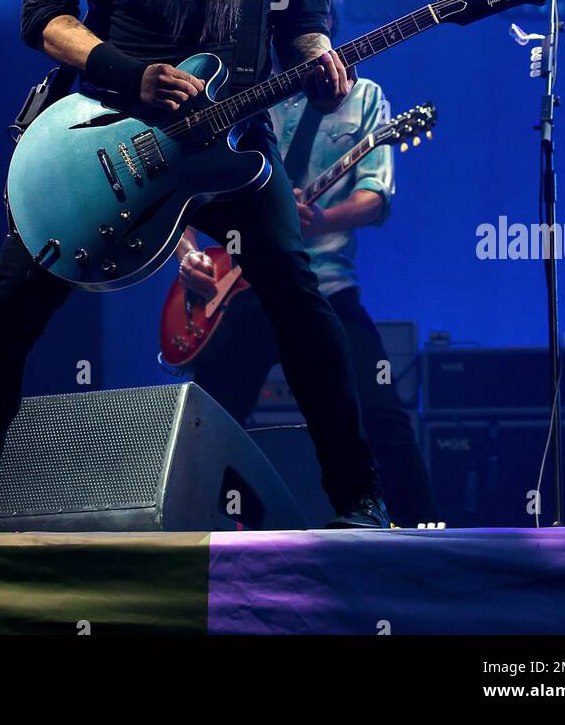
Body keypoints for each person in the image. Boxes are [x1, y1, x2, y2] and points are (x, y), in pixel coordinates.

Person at [0, 0, 389, 530]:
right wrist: (133, 73)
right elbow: (43, 14)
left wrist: (319, 64)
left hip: (233, 138)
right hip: (108, 136)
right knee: (9, 311)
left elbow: (302, 25)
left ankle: (361, 500)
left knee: (299, 298)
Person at [181, 44, 437, 527]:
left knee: (381, 411)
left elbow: (375, 199)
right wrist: (189, 255)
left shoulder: (363, 97)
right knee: (204, 420)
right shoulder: (242, 96)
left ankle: (424, 532)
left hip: (326, 285)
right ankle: (213, 529)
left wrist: (317, 221)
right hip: (246, 287)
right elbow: (188, 189)